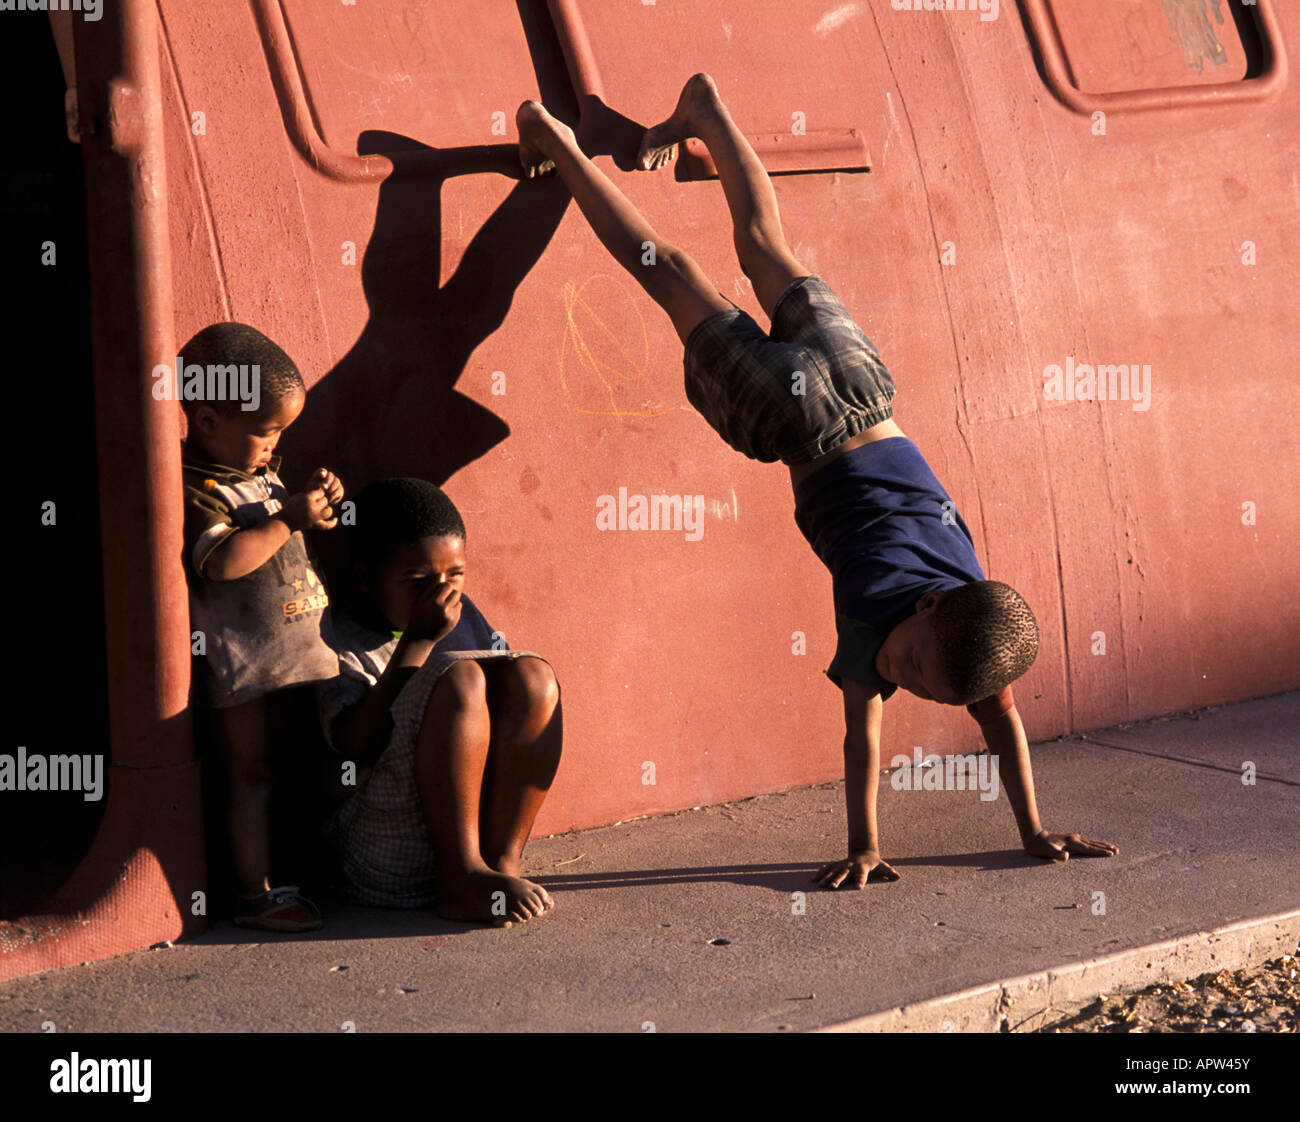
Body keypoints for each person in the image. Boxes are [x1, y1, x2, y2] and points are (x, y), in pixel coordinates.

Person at [514, 74, 1117, 886]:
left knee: (765, 242)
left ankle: (703, 108)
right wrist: (864, 843)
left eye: (923, 689)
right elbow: (861, 739)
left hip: (865, 389)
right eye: (913, 665)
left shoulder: (972, 623)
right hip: (793, 425)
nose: (905, 679)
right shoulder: (877, 620)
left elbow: (1002, 726)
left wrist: (1033, 828)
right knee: (667, 273)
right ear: (931, 607)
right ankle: (549, 136)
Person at [318, 478, 561, 925]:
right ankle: (460, 877)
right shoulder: (339, 635)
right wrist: (417, 642)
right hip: (382, 852)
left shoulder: (464, 613)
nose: (442, 593)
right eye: (417, 581)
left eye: (456, 575)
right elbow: (354, 749)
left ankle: (501, 862)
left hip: (463, 827)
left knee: (533, 676)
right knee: (461, 677)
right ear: (365, 578)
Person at [180, 322, 344, 930]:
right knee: (250, 774)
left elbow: (284, 532)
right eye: (266, 430)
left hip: (301, 654)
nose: (275, 446)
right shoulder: (199, 487)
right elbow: (223, 561)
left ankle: (308, 871)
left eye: (282, 432)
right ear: (207, 420)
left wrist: (313, 507)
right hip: (243, 667)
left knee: (299, 768)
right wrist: (290, 519)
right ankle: (254, 891)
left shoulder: (257, 471)